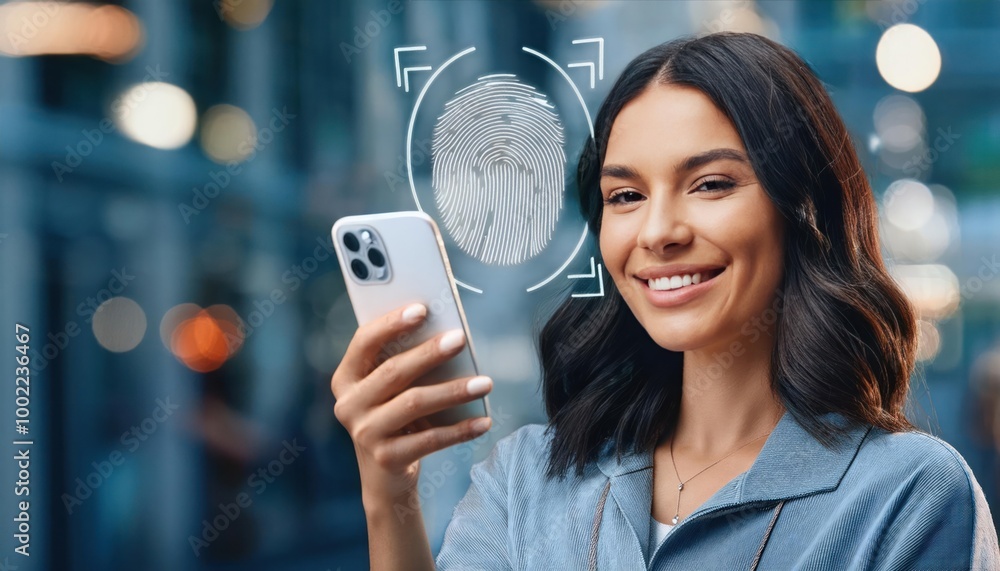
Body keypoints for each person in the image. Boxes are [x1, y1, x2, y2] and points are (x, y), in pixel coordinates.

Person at [331, 31, 1000, 569]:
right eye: (626, 196)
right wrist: (390, 495)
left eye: (709, 184)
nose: (658, 232)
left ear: (803, 208)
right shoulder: (524, 479)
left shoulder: (907, 494)